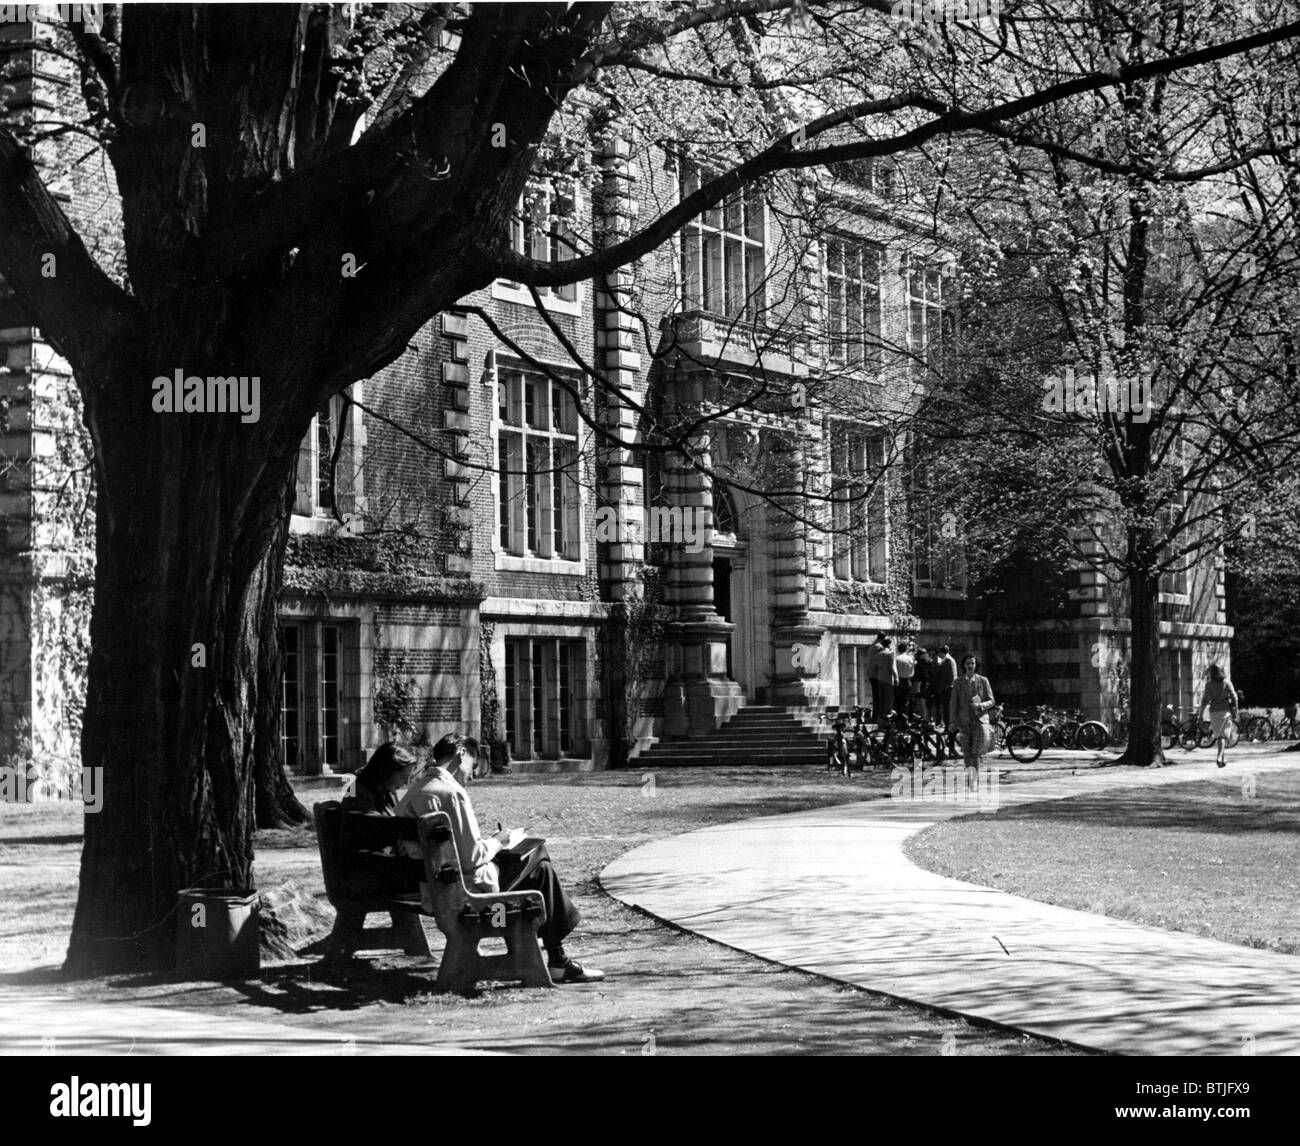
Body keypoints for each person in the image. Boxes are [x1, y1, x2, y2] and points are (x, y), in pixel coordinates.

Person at [396, 733, 604, 983]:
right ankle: (557, 958)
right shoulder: (451, 792)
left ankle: (556, 956)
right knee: (539, 858)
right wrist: (499, 841)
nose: (471, 776)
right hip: (463, 888)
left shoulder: (416, 788)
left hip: (429, 885)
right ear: (461, 754)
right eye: (472, 766)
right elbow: (472, 856)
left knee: (537, 864)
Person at [339, 742, 425, 895]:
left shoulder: (383, 789)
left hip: (379, 865)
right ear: (386, 771)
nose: (406, 783)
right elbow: (372, 827)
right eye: (403, 777)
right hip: (366, 872)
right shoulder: (357, 790)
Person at [950, 654, 996, 771]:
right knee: (966, 752)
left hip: (978, 721)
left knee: (975, 752)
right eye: (968, 663)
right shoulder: (958, 682)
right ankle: (969, 777)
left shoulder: (983, 681)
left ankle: (974, 779)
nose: (970, 666)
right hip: (963, 722)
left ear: (976, 665)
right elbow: (953, 704)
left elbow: (992, 701)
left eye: (972, 663)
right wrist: (952, 721)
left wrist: (981, 706)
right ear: (964, 666)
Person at [1199, 663, 1239, 769]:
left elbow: (1204, 700)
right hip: (1225, 712)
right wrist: (1236, 710)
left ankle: (1222, 760)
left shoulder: (1209, 684)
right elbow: (1235, 697)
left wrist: (1200, 714)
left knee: (1220, 736)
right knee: (1223, 736)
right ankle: (1219, 757)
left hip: (1214, 713)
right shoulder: (1227, 683)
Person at [871, 636, 897, 723]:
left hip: (880, 678)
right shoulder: (890, 654)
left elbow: (874, 667)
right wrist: (896, 678)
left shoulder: (878, 654)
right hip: (888, 679)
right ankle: (887, 718)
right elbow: (892, 667)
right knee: (889, 699)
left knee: (881, 699)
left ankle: (881, 718)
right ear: (889, 645)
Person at [933, 645, 958, 730]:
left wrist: (945, 687)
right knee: (947, 708)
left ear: (941, 652)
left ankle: (948, 726)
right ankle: (948, 725)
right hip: (949, 687)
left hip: (948, 688)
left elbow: (949, 675)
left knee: (946, 708)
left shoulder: (948, 660)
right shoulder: (949, 660)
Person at [864, 632, 886, 721]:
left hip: (871, 673)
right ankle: (877, 716)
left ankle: (876, 715)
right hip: (876, 673)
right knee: (878, 695)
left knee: (876, 694)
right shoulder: (879, 647)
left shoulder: (873, 644)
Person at [895, 641, 915, 716]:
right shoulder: (910, 659)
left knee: (897, 702)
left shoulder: (897, 659)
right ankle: (905, 719)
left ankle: (898, 720)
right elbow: (912, 672)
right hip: (908, 681)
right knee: (906, 702)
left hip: (899, 681)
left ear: (898, 649)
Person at [913, 648, 933, 721]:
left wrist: (914, 691)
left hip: (923, 685)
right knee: (928, 706)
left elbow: (917, 679)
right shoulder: (930, 662)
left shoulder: (919, 665)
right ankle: (928, 721)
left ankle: (925, 722)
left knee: (923, 705)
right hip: (930, 686)